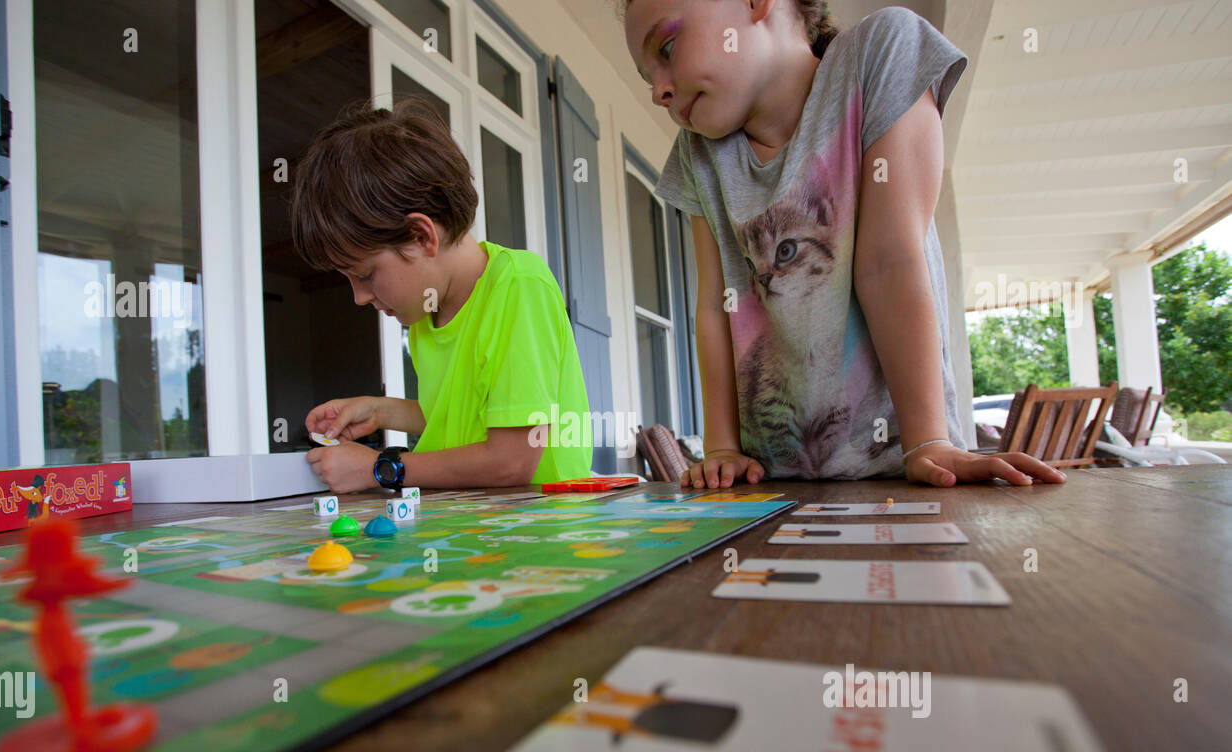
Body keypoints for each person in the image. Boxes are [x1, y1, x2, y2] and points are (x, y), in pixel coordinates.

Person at [622, 0, 1065, 489]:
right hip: (769, 483)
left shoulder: (880, 53)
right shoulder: (696, 155)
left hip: (905, 467)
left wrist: (928, 444)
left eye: (667, 47)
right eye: (647, 79)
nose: (659, 91)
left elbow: (888, 260)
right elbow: (713, 306)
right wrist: (722, 446)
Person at [291, 98, 593, 493]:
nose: (359, 298)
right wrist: (378, 411)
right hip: (470, 531)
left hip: (536, 534)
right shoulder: (425, 313)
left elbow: (512, 461)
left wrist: (381, 467)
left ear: (421, 236)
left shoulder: (519, 286)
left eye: (365, 275)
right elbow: (461, 416)